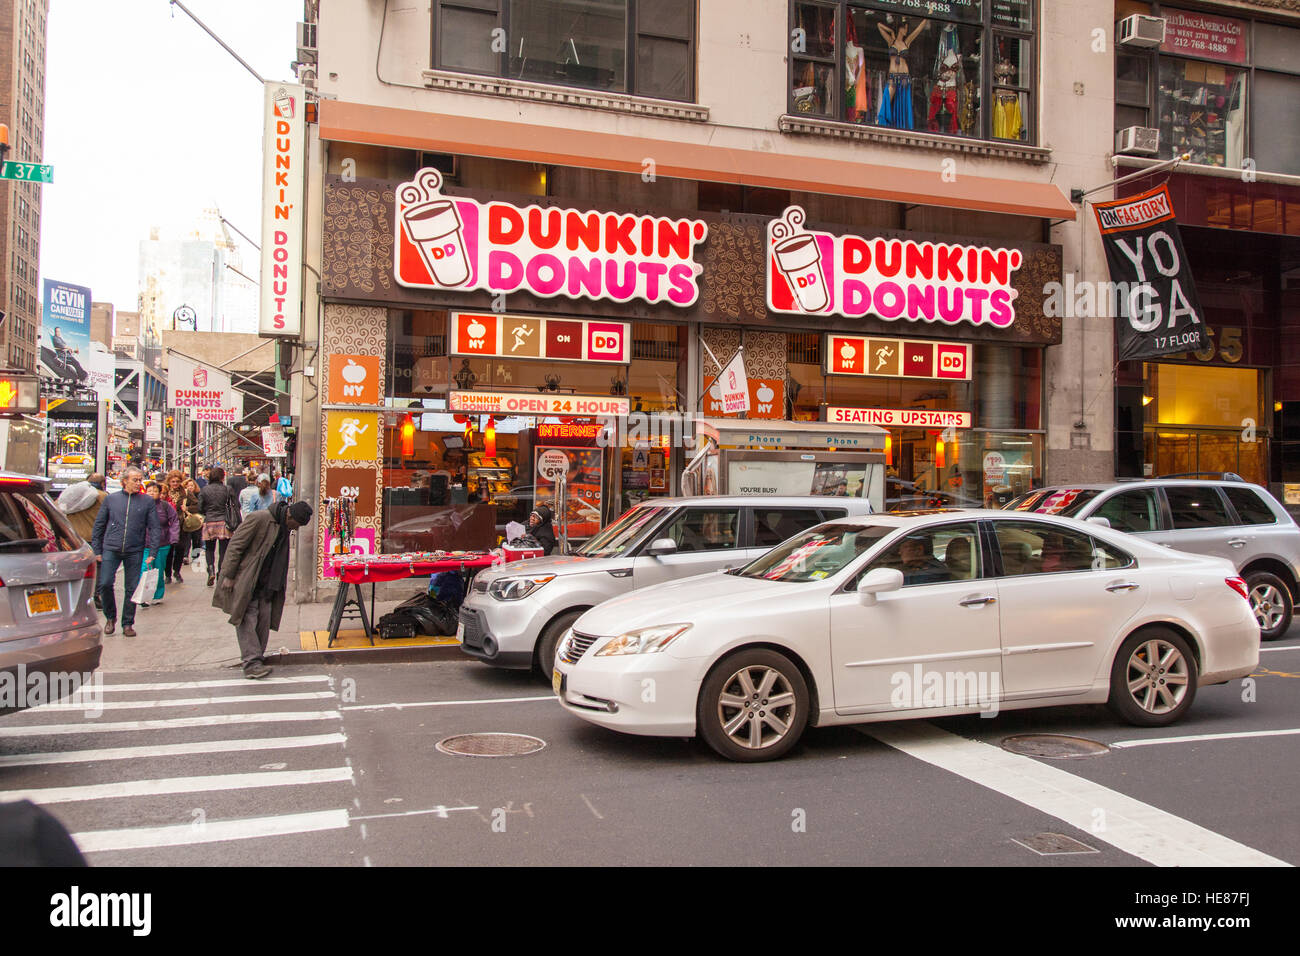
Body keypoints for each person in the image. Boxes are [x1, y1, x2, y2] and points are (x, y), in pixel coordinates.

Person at [214, 500, 313, 680]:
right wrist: (228, 575)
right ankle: (251, 662)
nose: (296, 529)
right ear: (290, 516)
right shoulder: (259, 519)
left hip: (268, 584)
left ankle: (256, 657)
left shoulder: (283, 527)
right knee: (247, 620)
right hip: (249, 580)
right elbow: (235, 546)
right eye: (297, 525)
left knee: (263, 620)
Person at [90, 466, 160, 637]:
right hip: (111, 548)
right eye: (135, 480)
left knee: (131, 587)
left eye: (139, 480)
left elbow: (154, 527)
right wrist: (97, 549)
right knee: (105, 584)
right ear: (124, 481)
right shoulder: (111, 500)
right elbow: (99, 525)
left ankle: (127, 622)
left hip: (134, 549)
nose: (138, 483)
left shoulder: (147, 502)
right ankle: (110, 617)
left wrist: (152, 552)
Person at [137, 481, 177, 607]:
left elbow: (174, 521)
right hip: (145, 544)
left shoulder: (165, 506)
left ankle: (157, 595)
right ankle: (143, 596)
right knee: (145, 570)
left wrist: (173, 538)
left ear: (160, 493)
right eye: (149, 491)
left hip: (162, 544)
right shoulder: (140, 505)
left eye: (155, 491)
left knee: (158, 571)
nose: (152, 493)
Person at [198, 466, 234, 586]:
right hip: (224, 521)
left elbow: (200, 507)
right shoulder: (227, 489)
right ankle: (220, 573)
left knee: (209, 549)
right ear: (222, 477)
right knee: (223, 550)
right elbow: (234, 505)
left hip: (209, 521)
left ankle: (211, 570)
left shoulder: (204, 490)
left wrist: (207, 513)